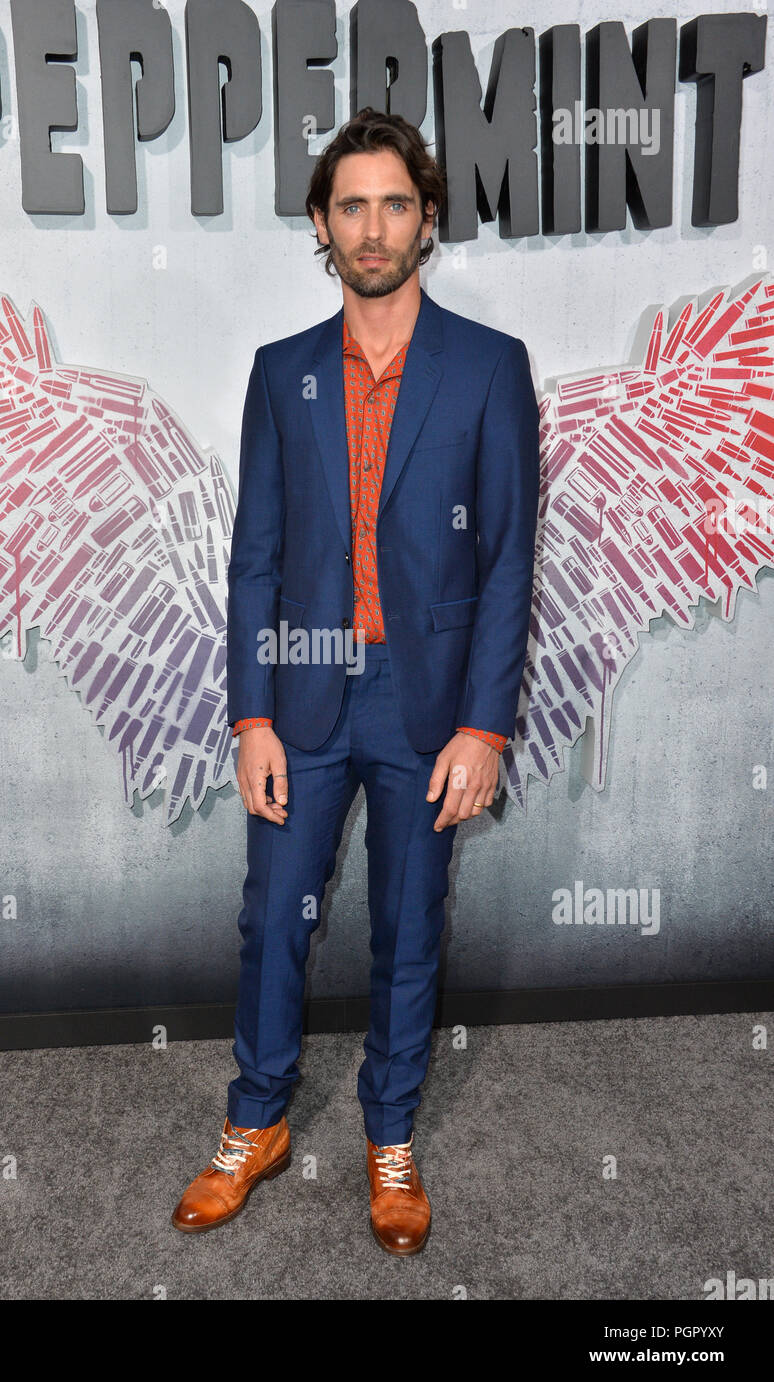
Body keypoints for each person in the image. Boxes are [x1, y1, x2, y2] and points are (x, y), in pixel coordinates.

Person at [172, 107, 540, 1256]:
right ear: (320, 228)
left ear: (426, 218)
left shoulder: (488, 367)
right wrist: (249, 714)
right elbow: (256, 557)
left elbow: (506, 559)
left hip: (429, 708)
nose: (371, 227)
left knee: (406, 928)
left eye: (392, 203)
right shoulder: (281, 375)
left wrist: (484, 725)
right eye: (349, 206)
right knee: (269, 918)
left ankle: (390, 1135)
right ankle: (257, 1119)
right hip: (303, 691)